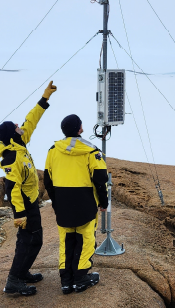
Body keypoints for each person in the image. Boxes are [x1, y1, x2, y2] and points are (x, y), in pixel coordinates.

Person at [0, 82, 56, 296]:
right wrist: (19, 214)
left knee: (35, 239)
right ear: (12, 134)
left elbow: (32, 120)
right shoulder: (12, 156)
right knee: (28, 240)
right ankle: (13, 280)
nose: (20, 126)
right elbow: (12, 187)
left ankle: (22, 273)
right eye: (16, 127)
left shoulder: (19, 142)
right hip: (24, 205)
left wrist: (44, 98)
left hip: (31, 202)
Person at [42, 114, 109, 294]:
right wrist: (104, 202)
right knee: (86, 240)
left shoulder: (53, 150)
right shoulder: (91, 150)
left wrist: (56, 203)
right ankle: (80, 279)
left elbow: (47, 180)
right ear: (80, 129)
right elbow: (101, 179)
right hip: (85, 204)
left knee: (66, 242)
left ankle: (66, 281)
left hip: (63, 205)